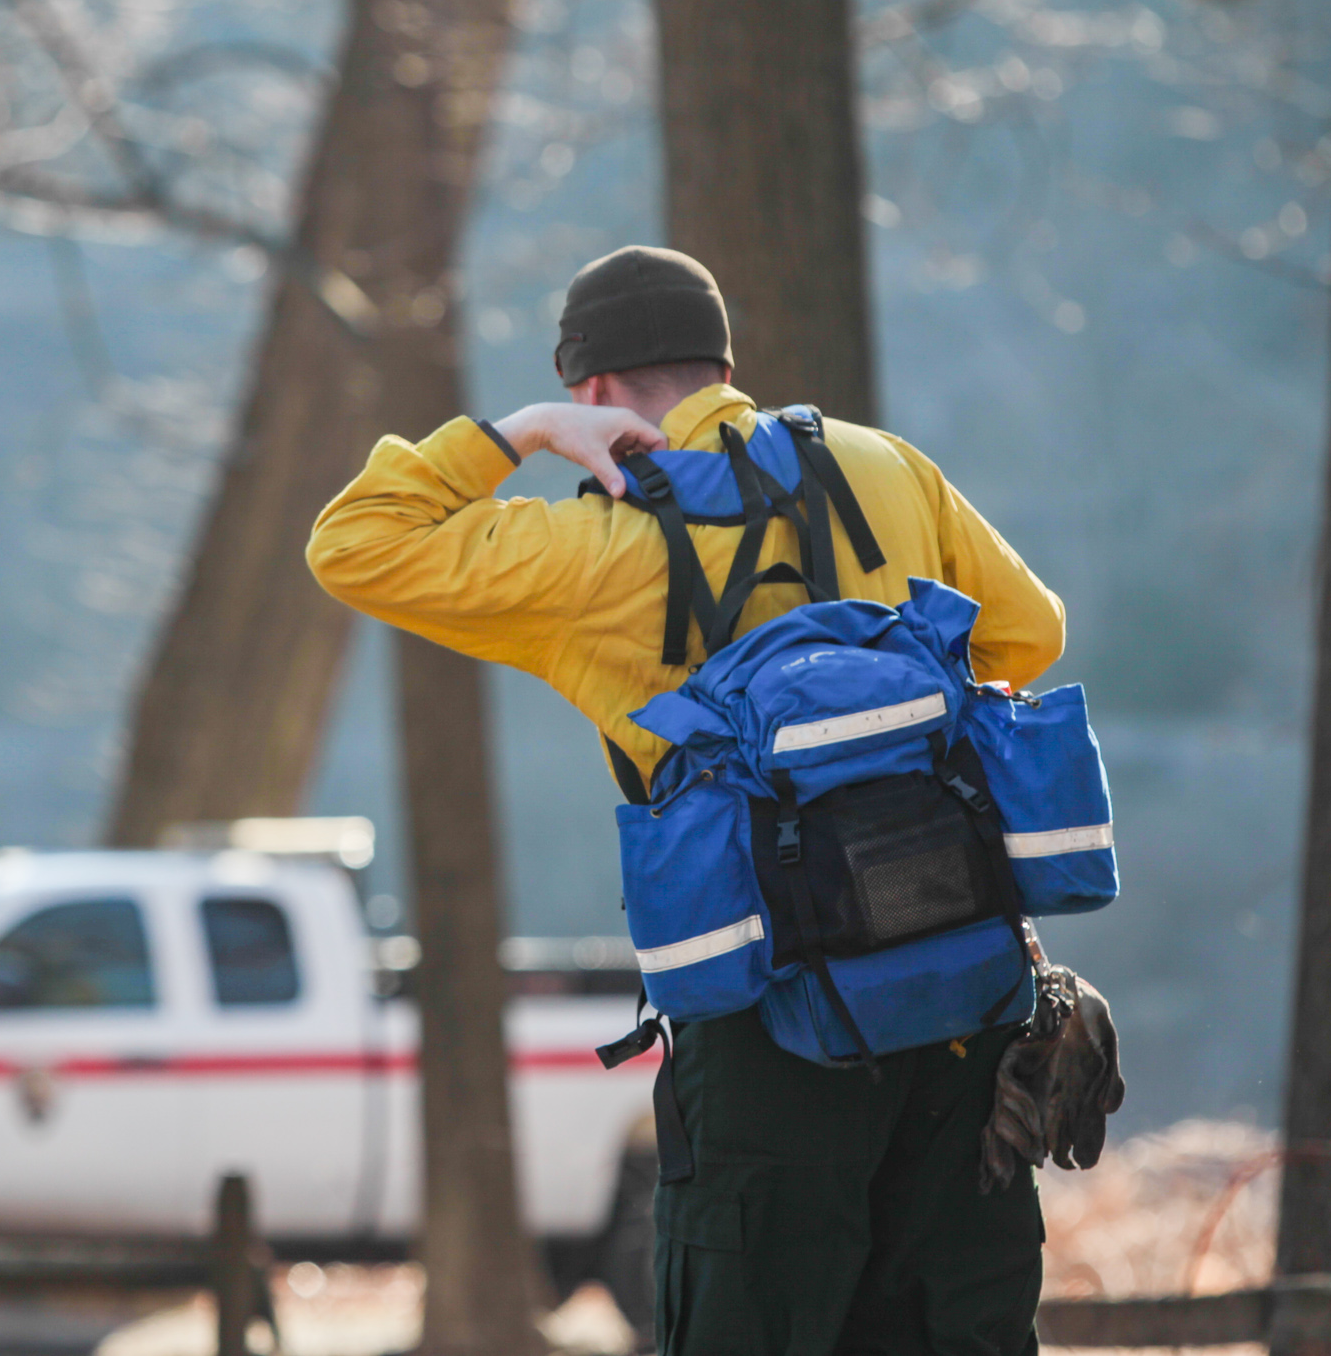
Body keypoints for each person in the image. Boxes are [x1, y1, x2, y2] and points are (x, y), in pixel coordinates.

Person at [307, 245, 1066, 1354]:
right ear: (721, 362)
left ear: (592, 392)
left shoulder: (598, 543)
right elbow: (1029, 636)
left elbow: (355, 545)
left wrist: (516, 435)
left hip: (767, 1013)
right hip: (960, 991)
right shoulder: (882, 468)